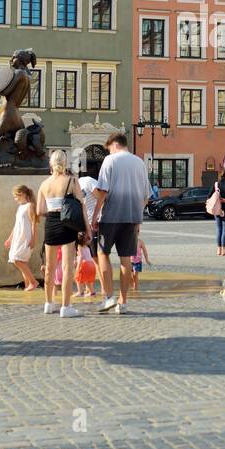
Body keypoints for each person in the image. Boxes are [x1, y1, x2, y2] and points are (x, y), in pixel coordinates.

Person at [90, 132, 150, 315]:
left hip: (111, 215)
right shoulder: (139, 162)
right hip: (132, 217)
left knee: (102, 253)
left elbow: (103, 192)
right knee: (126, 259)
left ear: (113, 145)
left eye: (108, 148)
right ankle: (123, 302)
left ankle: (109, 296)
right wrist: (138, 216)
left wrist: (94, 216)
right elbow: (146, 196)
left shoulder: (110, 160)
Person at [38, 150, 87, 317]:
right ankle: (66, 307)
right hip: (67, 223)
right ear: (65, 163)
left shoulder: (44, 184)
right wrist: (86, 228)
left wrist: (52, 210)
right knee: (67, 267)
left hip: (50, 222)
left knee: (49, 267)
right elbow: (81, 205)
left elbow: (39, 210)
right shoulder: (72, 180)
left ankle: (48, 303)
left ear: (51, 163)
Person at [4, 184, 41, 291]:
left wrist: (33, 238)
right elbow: (16, 225)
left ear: (23, 194)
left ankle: (33, 282)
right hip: (18, 236)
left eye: (16, 196)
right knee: (22, 261)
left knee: (17, 259)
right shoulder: (20, 207)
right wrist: (10, 239)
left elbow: (34, 223)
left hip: (26, 236)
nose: (15, 199)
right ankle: (28, 285)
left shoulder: (30, 206)